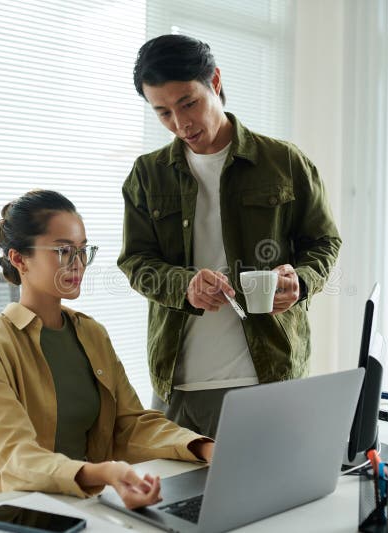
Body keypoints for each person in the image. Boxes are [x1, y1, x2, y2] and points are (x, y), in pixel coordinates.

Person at [118, 34, 341, 438]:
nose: (181, 123)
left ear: (215, 81)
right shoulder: (147, 175)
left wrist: (301, 281)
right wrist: (183, 286)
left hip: (267, 378)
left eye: (188, 103)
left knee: (272, 497)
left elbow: (324, 242)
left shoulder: (284, 162)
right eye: (163, 112)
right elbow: (135, 262)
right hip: (177, 385)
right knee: (178, 502)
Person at [0, 189, 213, 510]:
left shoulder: (91, 334)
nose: (78, 264)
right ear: (19, 259)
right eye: (63, 251)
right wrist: (101, 472)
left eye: (82, 250)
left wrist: (205, 448)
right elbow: (11, 458)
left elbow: (130, 424)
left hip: (85, 503)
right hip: (12, 512)